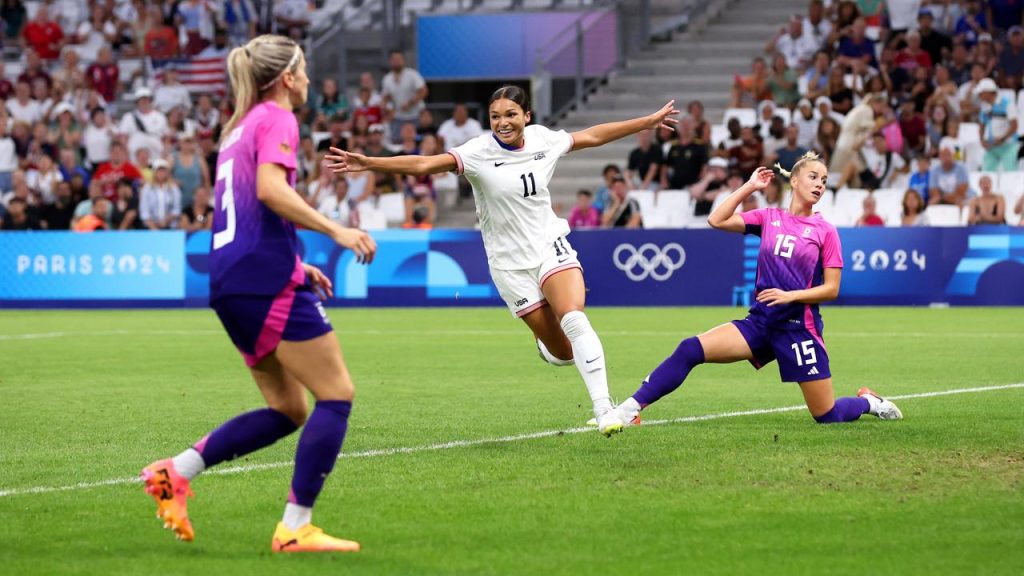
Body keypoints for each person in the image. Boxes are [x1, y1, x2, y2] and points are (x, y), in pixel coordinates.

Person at [326, 86, 678, 435]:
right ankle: (549, 347)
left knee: (574, 318)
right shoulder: (477, 151)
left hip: (549, 245)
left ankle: (604, 410)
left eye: (511, 114)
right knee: (563, 352)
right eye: (495, 116)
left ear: (527, 116)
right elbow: (423, 164)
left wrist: (646, 122)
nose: (503, 123)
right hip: (509, 265)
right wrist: (370, 162)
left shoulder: (543, 139)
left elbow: (592, 135)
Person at [140, 34, 377, 553]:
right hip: (261, 281)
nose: (310, 79)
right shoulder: (276, 117)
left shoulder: (238, 128)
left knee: (289, 408)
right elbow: (270, 191)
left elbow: (248, 210)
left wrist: (296, 263)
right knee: (336, 394)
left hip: (232, 279)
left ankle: (173, 472)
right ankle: (295, 527)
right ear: (287, 78)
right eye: (305, 70)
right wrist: (336, 231)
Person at [603, 153, 903, 429]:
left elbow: (832, 289)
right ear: (794, 180)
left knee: (827, 415)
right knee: (690, 349)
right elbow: (715, 220)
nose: (820, 184)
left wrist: (791, 296)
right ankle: (628, 410)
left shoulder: (825, 231)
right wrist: (749, 187)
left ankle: (868, 402)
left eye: (824, 180)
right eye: (813, 177)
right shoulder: (769, 217)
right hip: (760, 324)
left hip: (798, 330)